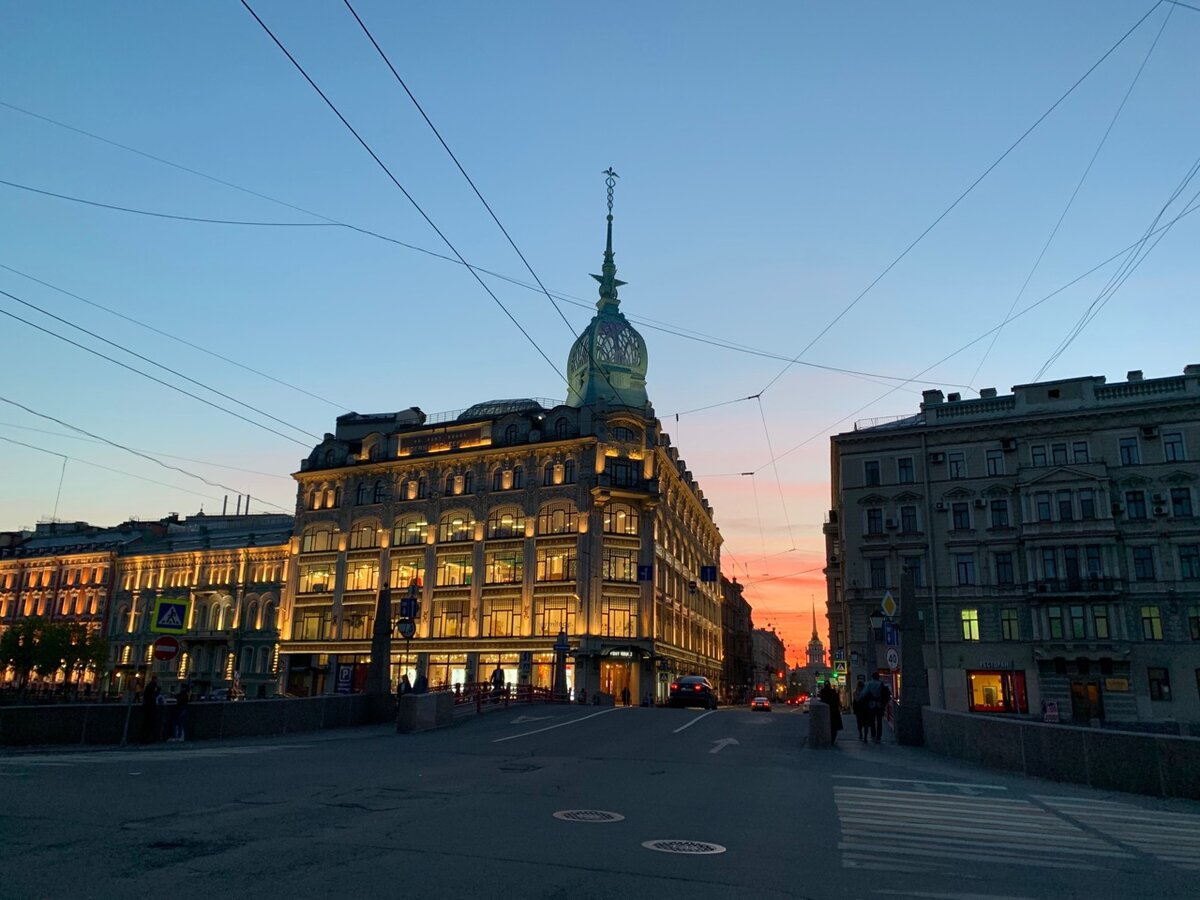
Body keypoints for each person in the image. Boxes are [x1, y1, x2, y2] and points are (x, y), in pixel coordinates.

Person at [865, 671, 892, 743]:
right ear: (878, 677)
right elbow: (886, 694)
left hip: (871, 704)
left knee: (872, 721)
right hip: (879, 704)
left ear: (872, 677)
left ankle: (873, 735)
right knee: (879, 721)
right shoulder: (881, 684)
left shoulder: (869, 684)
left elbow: (865, 693)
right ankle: (879, 736)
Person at [817, 680, 843, 744]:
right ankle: (832, 740)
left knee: (829, 727)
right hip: (834, 711)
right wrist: (840, 706)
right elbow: (837, 700)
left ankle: (829, 739)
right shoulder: (833, 691)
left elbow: (822, 700)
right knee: (834, 728)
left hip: (827, 711)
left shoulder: (823, 692)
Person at [141, 674, 161, 744]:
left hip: (148, 706)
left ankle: (146, 738)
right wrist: (158, 690)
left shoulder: (150, 686)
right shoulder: (152, 687)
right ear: (154, 680)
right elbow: (153, 696)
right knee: (149, 723)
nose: (157, 681)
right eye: (157, 680)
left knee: (147, 723)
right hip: (150, 707)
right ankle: (147, 738)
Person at [852, 675, 871, 742]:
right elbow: (868, 700)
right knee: (866, 724)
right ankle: (865, 737)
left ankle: (860, 734)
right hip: (866, 709)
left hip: (858, 710)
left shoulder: (855, 693)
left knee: (859, 723)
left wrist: (854, 710)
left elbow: (854, 702)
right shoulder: (866, 693)